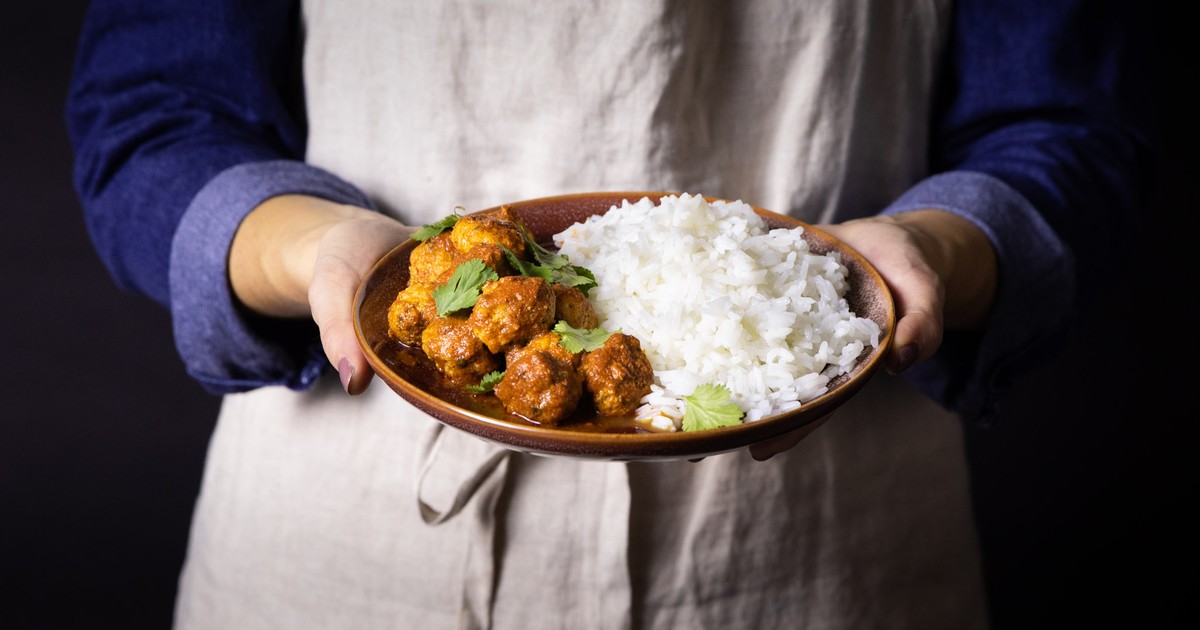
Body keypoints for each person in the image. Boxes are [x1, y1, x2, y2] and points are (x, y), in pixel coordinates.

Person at [66, 0, 1154, 628]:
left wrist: (933, 251)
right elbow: (152, 118)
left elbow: (1070, 127)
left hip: (829, 556)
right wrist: (321, 254)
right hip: (338, 559)